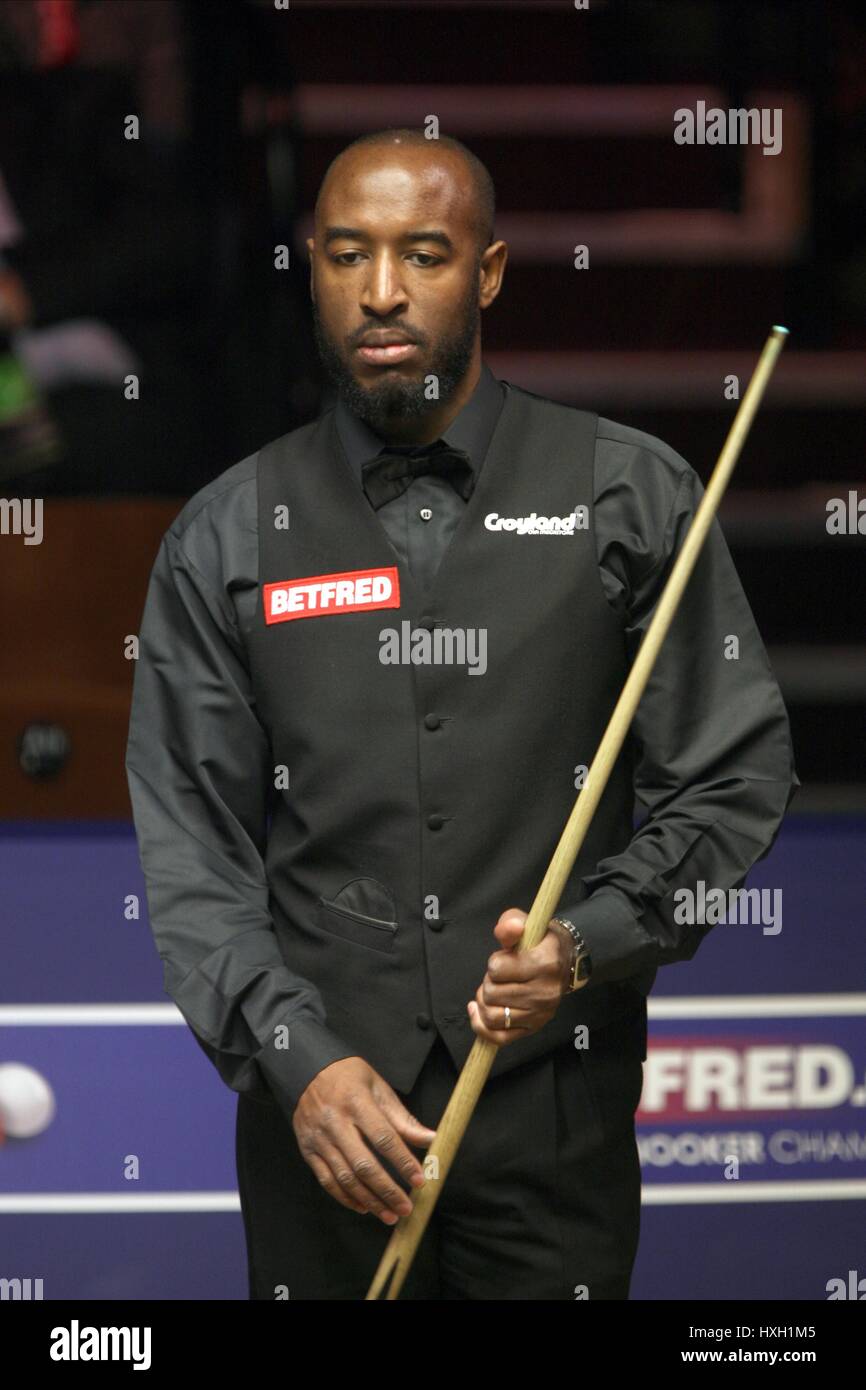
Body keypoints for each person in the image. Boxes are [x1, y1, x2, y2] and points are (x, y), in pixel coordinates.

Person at [125, 128, 799, 1301]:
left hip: (553, 1121)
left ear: (485, 272)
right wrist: (302, 1061)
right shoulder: (226, 536)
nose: (380, 291)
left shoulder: (625, 495)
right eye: (346, 255)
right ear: (313, 268)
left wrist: (592, 937)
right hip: (321, 1139)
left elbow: (734, 774)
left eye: (422, 254)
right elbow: (194, 854)